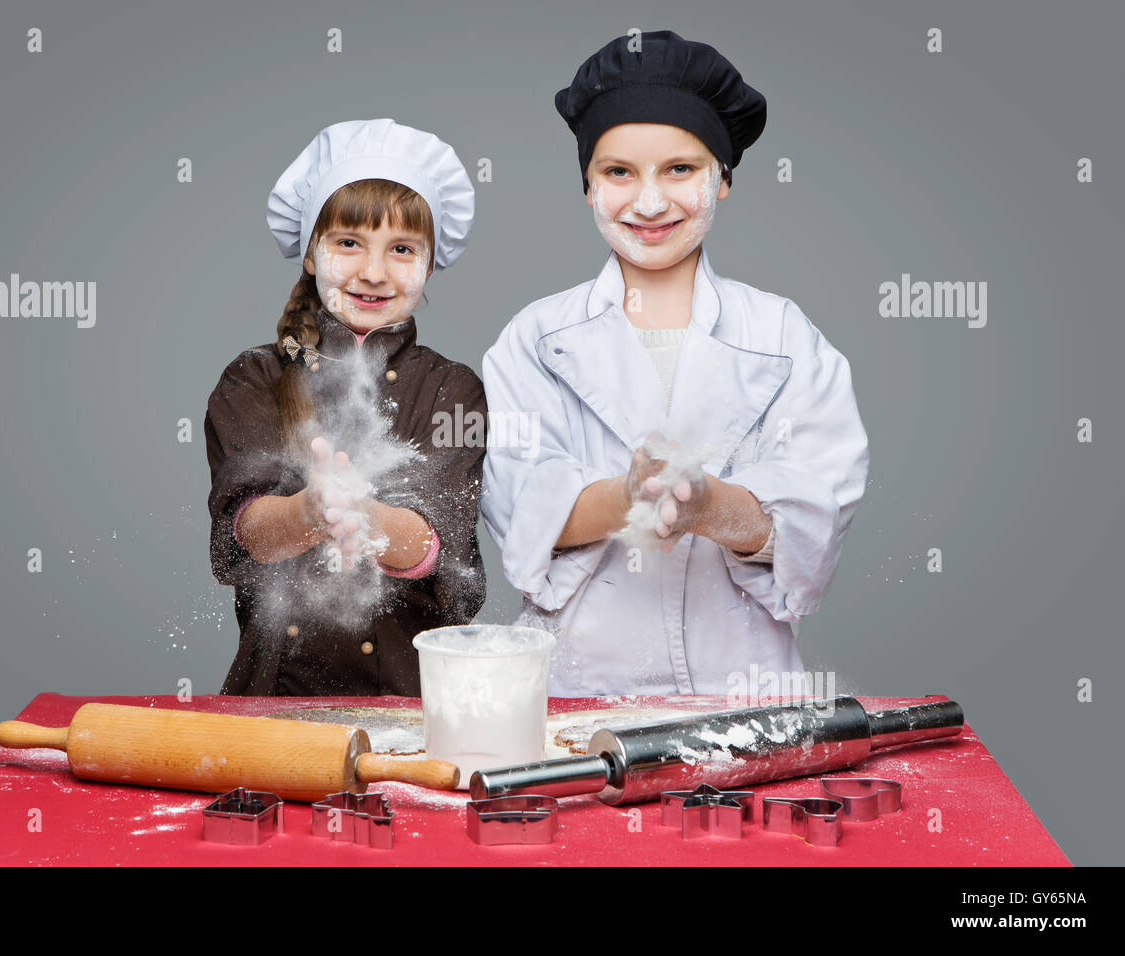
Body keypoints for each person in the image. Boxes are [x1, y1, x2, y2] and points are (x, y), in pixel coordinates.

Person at [480, 32, 870, 697]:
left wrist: (709, 505)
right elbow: (520, 513)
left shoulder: (782, 335)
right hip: (574, 692)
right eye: (619, 172)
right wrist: (630, 498)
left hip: (747, 693)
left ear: (723, 180)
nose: (651, 202)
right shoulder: (535, 338)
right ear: (587, 187)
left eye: (680, 169)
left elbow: (814, 520)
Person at [206, 118, 487, 696]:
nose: (374, 272)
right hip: (274, 703)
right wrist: (309, 513)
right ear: (312, 253)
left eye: (402, 249)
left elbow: (443, 548)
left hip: (411, 706)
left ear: (430, 263)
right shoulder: (253, 379)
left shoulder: (450, 390)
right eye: (349, 243)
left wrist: (368, 519)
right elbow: (245, 534)